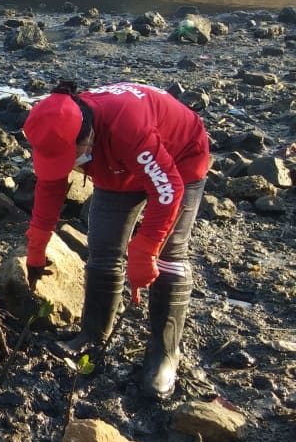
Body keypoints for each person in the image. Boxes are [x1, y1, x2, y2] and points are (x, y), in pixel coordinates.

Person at [22, 80, 210, 399]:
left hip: (180, 159)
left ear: (89, 134)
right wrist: (37, 247)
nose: (70, 163)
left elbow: (168, 190)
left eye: (73, 155)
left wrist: (146, 250)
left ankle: (164, 354)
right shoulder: (57, 126)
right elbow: (50, 185)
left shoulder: (127, 124)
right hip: (116, 167)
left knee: (169, 255)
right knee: (103, 248)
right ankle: (93, 336)